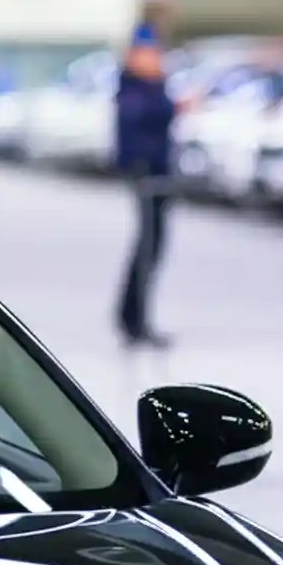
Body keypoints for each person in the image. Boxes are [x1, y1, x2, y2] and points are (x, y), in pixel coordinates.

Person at [114, 21, 183, 348]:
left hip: (159, 172)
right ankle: (135, 322)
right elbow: (138, 121)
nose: (155, 59)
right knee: (147, 247)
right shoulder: (134, 87)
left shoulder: (151, 84)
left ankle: (133, 316)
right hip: (145, 174)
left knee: (154, 246)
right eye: (148, 53)